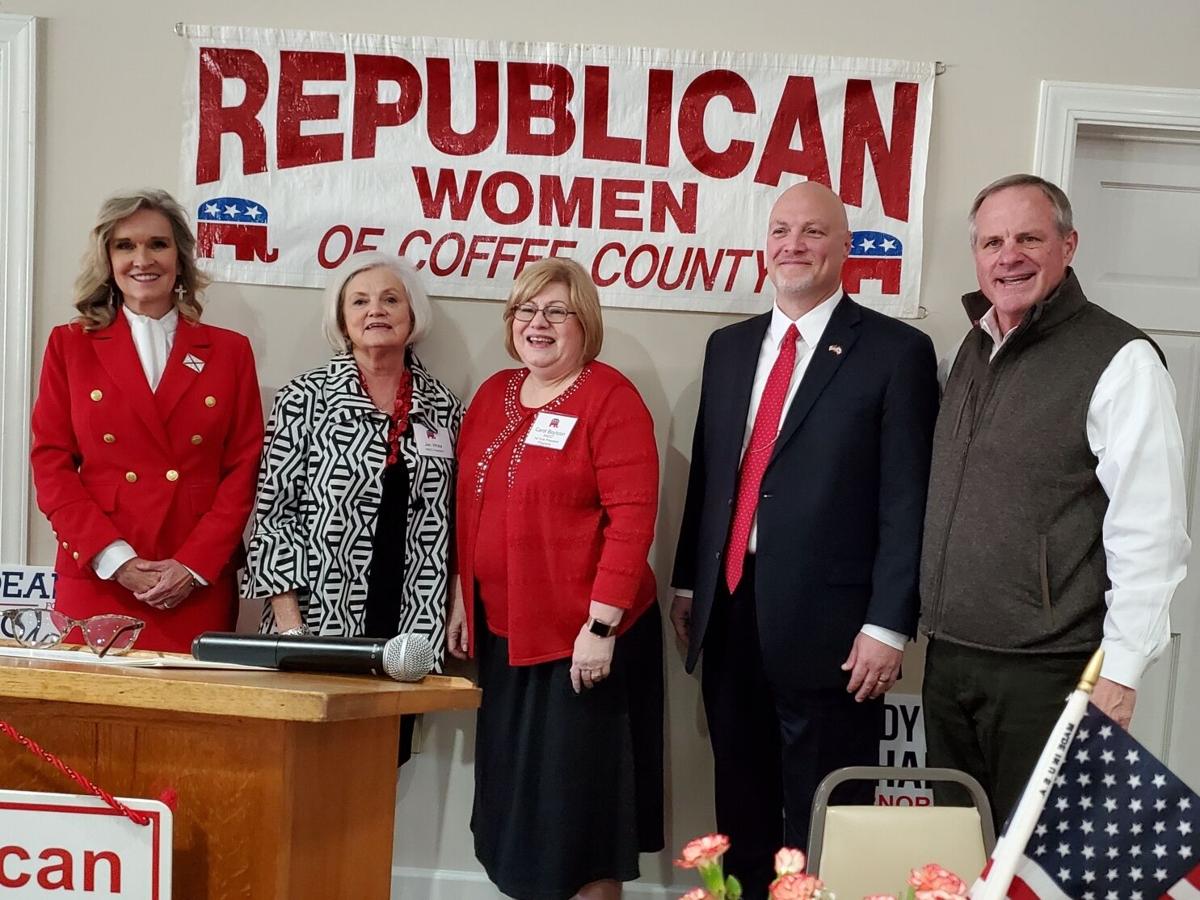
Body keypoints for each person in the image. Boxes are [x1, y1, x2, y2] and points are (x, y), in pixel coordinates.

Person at [671, 181, 939, 896]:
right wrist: (689, 582)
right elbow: (712, 476)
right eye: (781, 230)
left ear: (846, 248)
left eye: (814, 232)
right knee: (742, 802)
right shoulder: (728, 347)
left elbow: (908, 500)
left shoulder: (896, 351)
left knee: (824, 817)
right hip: (729, 607)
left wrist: (889, 623)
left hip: (836, 628)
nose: (794, 244)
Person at [920, 174, 1190, 829]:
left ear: (1068, 245)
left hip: (1050, 674)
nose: (1008, 255)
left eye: (1029, 238)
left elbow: (1150, 529)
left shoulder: (1121, 360)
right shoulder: (970, 350)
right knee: (958, 854)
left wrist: (1120, 676)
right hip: (952, 660)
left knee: (1042, 867)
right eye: (993, 241)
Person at [449, 257, 664, 900]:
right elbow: (471, 507)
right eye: (525, 310)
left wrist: (601, 624)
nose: (537, 323)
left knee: (580, 827)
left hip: (582, 647)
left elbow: (633, 519)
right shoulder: (493, 394)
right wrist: (465, 596)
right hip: (507, 637)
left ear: (584, 324)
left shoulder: (610, 397)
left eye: (555, 311)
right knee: (521, 816)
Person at [30, 189, 264, 653]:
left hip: (193, 581)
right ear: (107, 258)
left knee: (192, 720)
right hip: (100, 574)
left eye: (157, 244)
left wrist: (193, 565)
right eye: (125, 245)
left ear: (179, 257)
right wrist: (116, 560)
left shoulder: (230, 351)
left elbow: (244, 470)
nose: (142, 258)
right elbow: (50, 465)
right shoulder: (70, 345)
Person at [242, 251, 462, 718]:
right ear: (343, 321)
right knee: (313, 760)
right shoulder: (305, 398)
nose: (375, 311)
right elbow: (273, 516)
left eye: (389, 300)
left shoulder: (444, 407)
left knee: (386, 760)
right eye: (359, 301)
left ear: (412, 315)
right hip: (317, 619)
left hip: (411, 619)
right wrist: (289, 630)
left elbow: (458, 521)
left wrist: (456, 603)